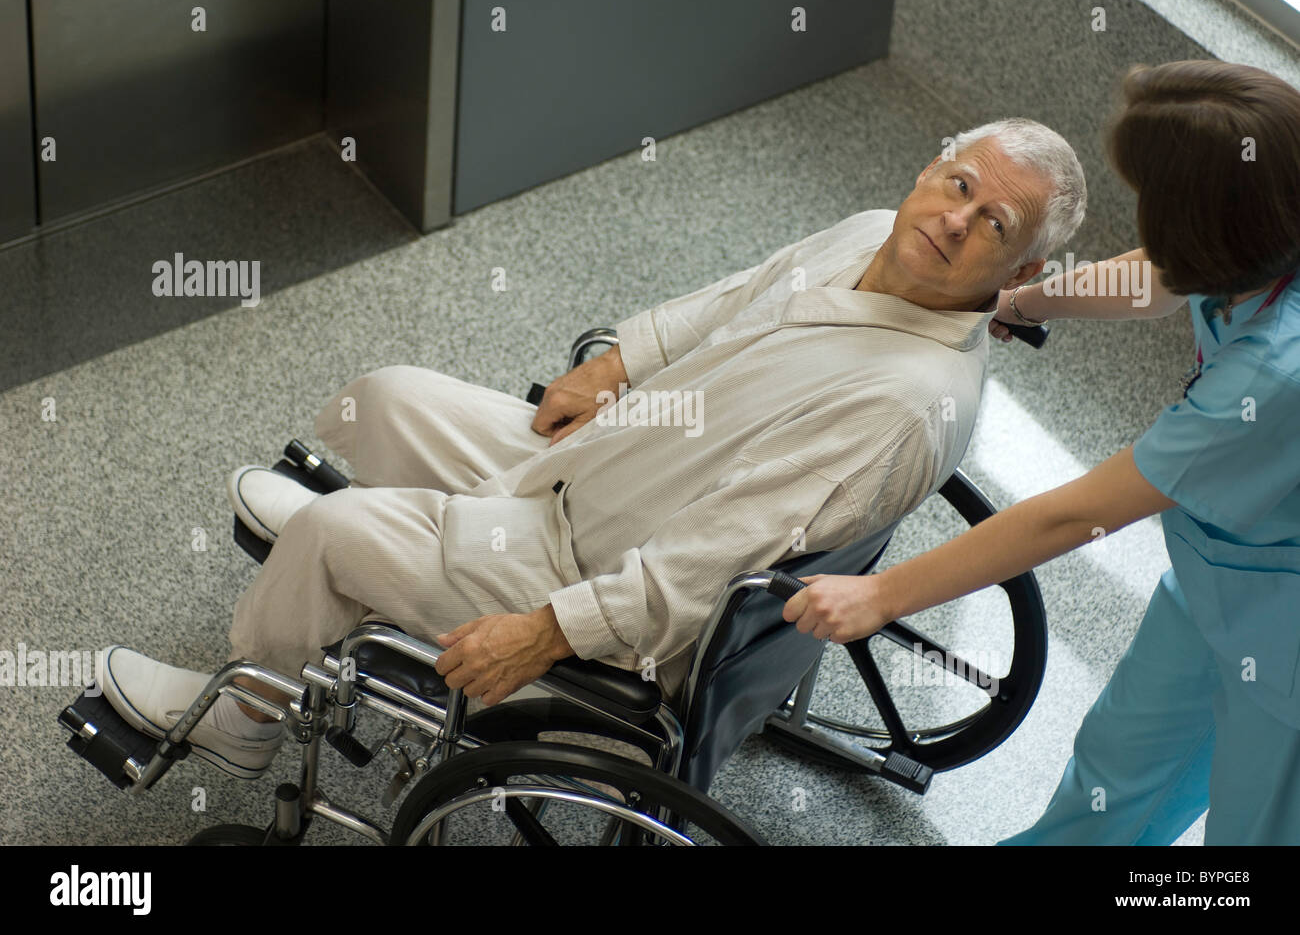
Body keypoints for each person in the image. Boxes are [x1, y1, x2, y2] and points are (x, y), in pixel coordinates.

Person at [97, 118, 1086, 780]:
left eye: (990, 221)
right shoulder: (871, 230)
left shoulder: (905, 402)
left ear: (1025, 268)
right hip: (618, 457)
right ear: (931, 164)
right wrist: (614, 366)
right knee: (384, 401)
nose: (953, 219)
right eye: (956, 182)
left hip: (602, 574)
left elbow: (720, 559)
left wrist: (549, 632)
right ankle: (365, 567)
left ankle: (243, 715)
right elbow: (730, 299)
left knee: (329, 530)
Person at [783, 60, 1300, 845]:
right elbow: (1163, 276)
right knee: (1115, 775)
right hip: (1224, 574)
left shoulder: (1269, 376)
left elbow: (1076, 516)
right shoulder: (1271, 213)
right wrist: (1015, 300)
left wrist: (882, 595)